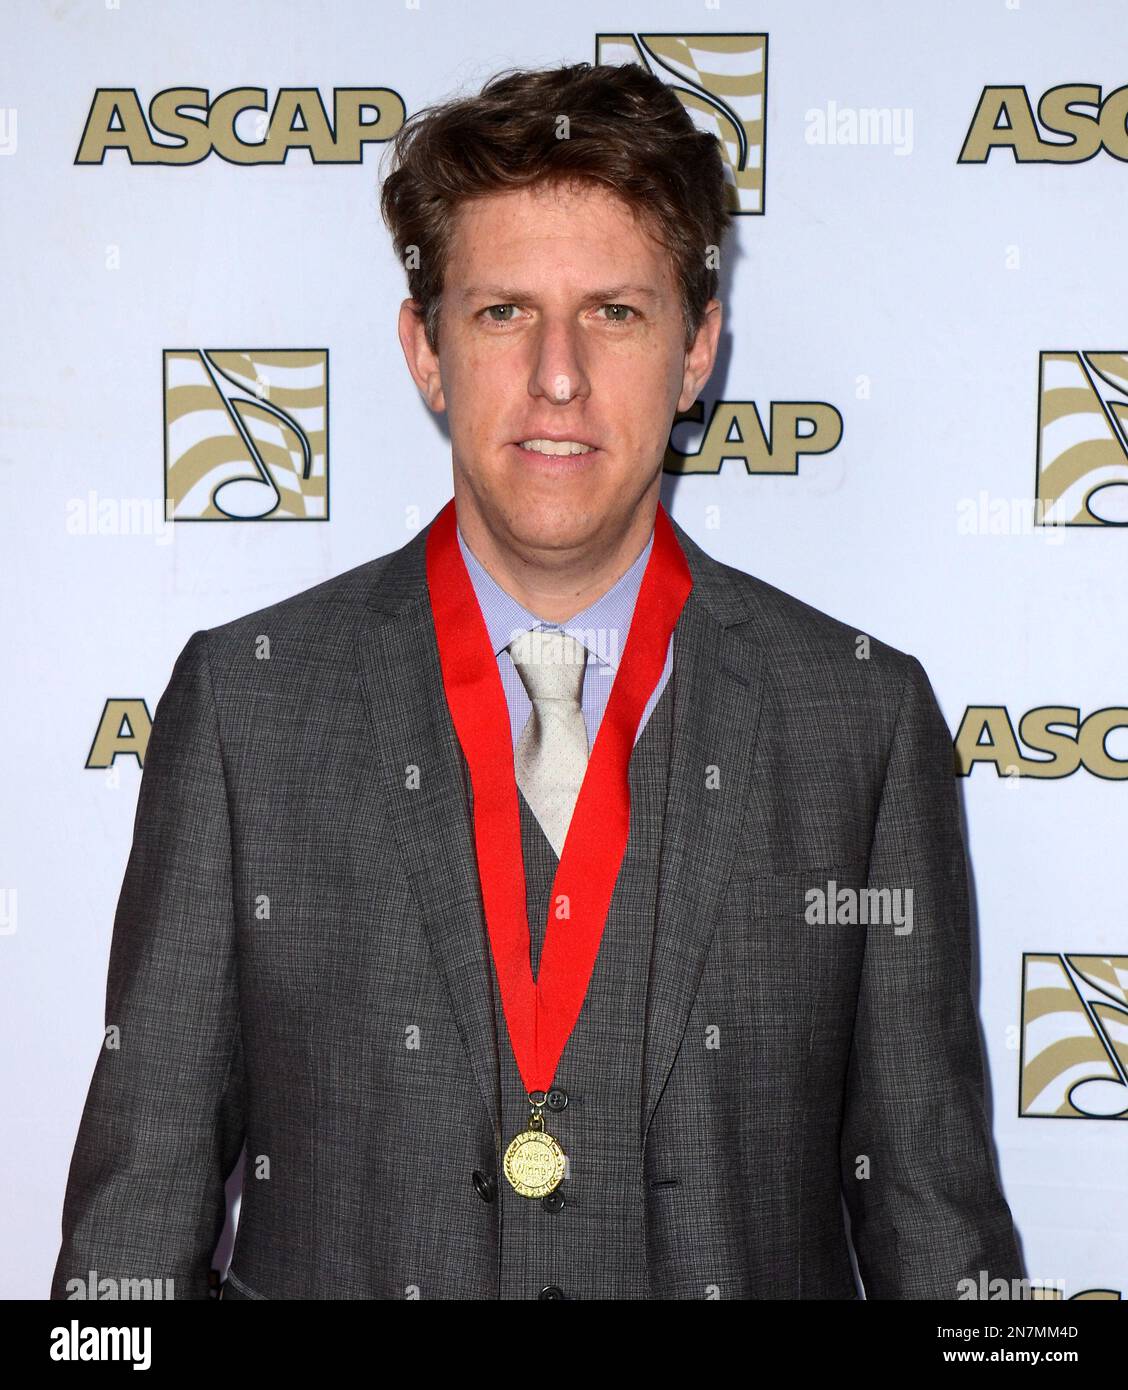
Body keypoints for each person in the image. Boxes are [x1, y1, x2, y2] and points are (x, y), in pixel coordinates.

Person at [51, 60, 1023, 1301]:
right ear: (426, 350)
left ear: (697, 349)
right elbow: (128, 1257)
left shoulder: (862, 721)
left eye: (614, 312)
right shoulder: (247, 707)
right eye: (505, 311)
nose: (558, 374)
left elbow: (941, 1245)